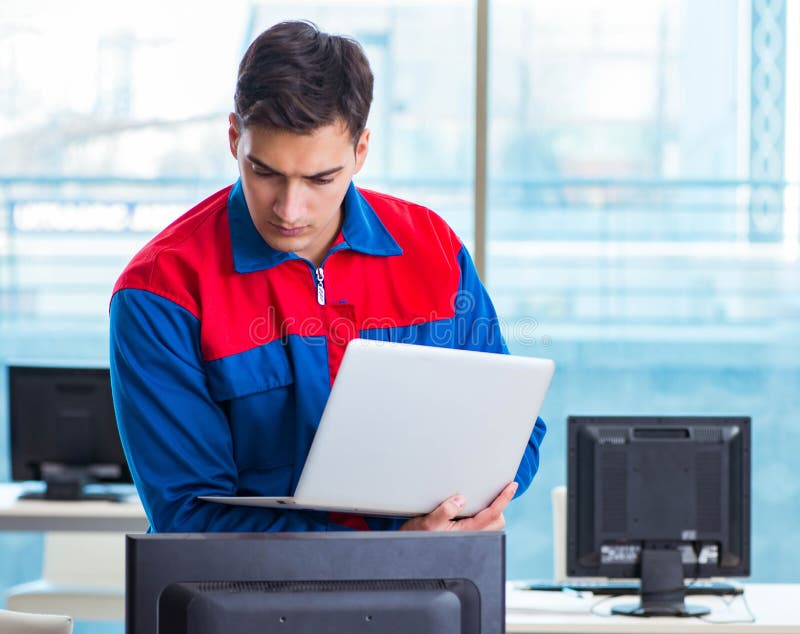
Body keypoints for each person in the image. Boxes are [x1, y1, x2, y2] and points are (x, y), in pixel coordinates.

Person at [109, 20, 546, 533]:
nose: (289, 209)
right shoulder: (162, 291)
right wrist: (387, 553)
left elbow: (512, 429)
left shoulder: (433, 248)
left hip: (434, 590)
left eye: (320, 179)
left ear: (361, 152)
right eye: (265, 172)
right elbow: (189, 516)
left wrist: (466, 510)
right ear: (234, 140)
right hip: (245, 606)